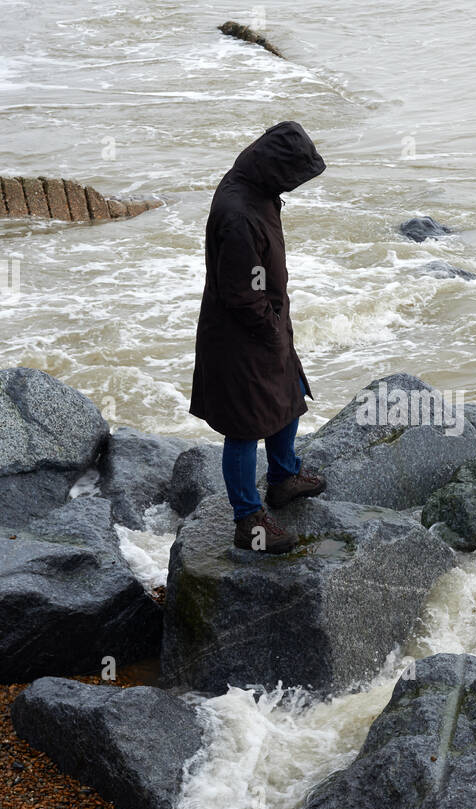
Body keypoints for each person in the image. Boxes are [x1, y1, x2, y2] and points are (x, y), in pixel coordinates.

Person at [189, 121, 328, 553]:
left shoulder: (255, 189)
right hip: (240, 335)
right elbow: (241, 294)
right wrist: (270, 330)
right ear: (272, 168)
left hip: (265, 322)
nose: (294, 187)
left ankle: (285, 477)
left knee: (288, 395)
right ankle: (248, 521)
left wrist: (276, 328)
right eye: (291, 177)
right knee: (245, 425)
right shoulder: (238, 214)